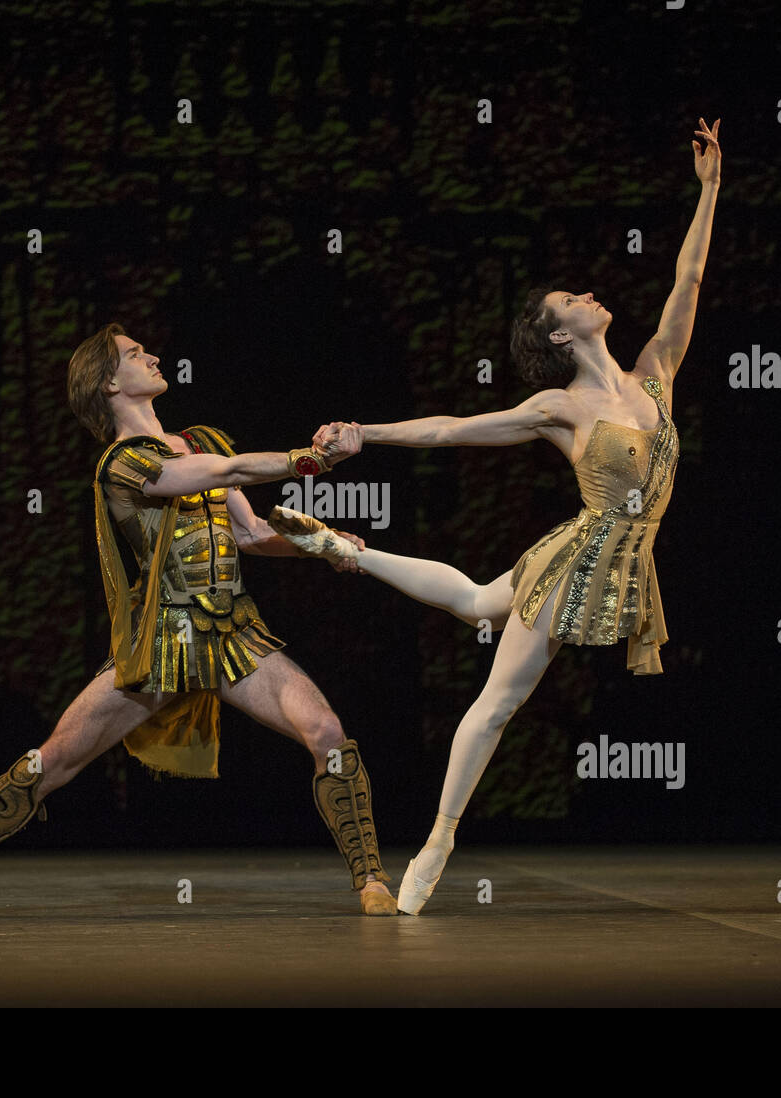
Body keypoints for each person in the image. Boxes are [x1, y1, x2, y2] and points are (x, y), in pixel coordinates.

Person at [270, 118, 721, 914]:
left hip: (625, 556)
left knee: (478, 599)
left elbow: (686, 285)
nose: (588, 293)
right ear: (559, 332)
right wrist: (362, 434)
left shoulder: (655, 376)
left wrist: (710, 190)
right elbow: (451, 430)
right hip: (581, 559)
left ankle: (346, 548)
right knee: (499, 699)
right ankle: (440, 839)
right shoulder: (559, 404)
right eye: (570, 298)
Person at [0, 322, 400, 919]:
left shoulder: (202, 439)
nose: (154, 355)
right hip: (163, 642)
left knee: (325, 732)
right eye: (136, 354)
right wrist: (311, 459)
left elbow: (251, 534)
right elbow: (224, 474)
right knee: (55, 760)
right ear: (110, 382)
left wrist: (324, 545)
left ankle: (370, 877)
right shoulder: (122, 464)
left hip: (232, 635)